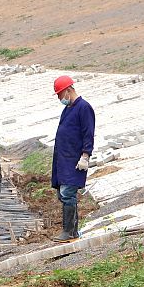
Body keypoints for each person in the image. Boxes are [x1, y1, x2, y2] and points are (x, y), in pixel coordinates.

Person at [51, 75, 95, 241]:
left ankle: (69, 231)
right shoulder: (68, 109)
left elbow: (88, 133)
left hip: (74, 160)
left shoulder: (84, 108)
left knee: (68, 193)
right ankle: (73, 231)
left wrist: (85, 156)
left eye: (60, 95)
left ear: (68, 90)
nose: (59, 98)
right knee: (63, 194)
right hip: (63, 160)